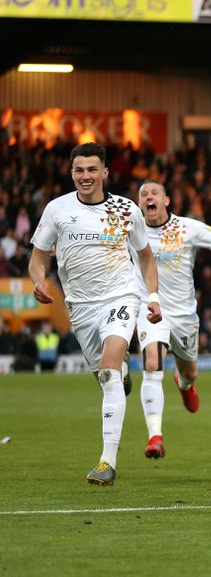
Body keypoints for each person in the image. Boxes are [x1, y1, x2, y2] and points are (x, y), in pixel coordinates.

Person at [28, 142, 163, 486]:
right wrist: (39, 279)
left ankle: (107, 461)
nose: (85, 176)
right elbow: (39, 256)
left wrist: (152, 295)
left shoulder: (125, 209)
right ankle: (120, 368)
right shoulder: (57, 210)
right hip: (79, 306)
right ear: (71, 173)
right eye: (79, 170)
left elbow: (145, 257)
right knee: (106, 377)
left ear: (105, 172)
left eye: (92, 170)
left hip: (120, 296)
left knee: (107, 372)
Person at [133, 179, 211, 459]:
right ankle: (155, 436)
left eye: (154, 193)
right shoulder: (131, 230)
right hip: (150, 307)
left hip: (184, 314)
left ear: (166, 201)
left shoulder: (187, 227)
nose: (148, 197)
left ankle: (184, 384)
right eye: (143, 195)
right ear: (140, 204)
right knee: (152, 362)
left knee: (190, 372)